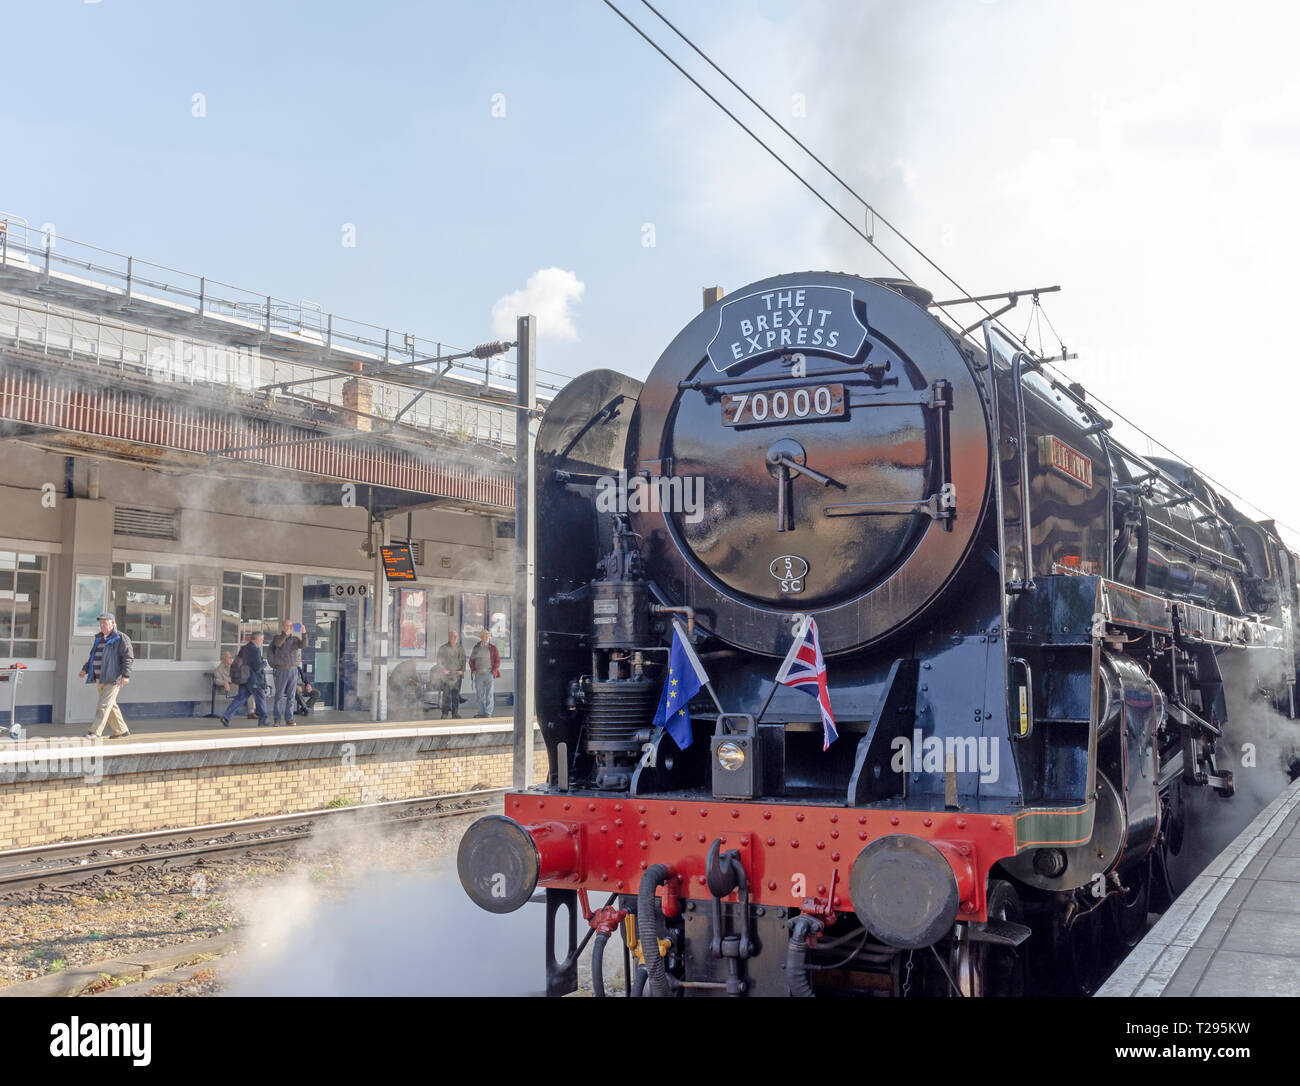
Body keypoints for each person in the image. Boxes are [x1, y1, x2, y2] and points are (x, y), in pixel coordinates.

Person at [79, 613, 133, 739]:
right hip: (100, 677)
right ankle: (122, 731)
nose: (102, 626)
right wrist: (85, 669)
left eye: (105, 623)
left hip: (113, 678)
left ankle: (95, 732)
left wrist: (126, 675)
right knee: (111, 705)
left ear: (113, 624)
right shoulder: (99, 638)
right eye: (100, 623)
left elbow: (128, 658)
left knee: (103, 706)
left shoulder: (121, 638)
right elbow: (93, 656)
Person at [220, 631, 269, 728]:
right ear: (256, 639)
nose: (262, 642)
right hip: (254, 680)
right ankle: (263, 720)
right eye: (262, 639)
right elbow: (257, 667)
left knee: (240, 698)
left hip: (243, 678)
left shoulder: (244, 648)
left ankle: (226, 717)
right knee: (261, 698)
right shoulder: (255, 650)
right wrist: (264, 663)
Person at [267, 620, 306, 727]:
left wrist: (303, 633)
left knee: (291, 696)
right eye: (287, 626)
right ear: (283, 627)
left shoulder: (295, 640)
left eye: (290, 626)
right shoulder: (277, 638)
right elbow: (278, 644)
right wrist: (285, 634)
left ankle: (289, 719)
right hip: (281, 670)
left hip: (293, 670)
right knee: (279, 696)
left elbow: (304, 645)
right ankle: (277, 719)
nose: (289, 627)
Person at [469, 627, 500, 718]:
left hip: (489, 674)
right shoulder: (476, 648)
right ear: (481, 637)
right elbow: (471, 660)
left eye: (488, 636)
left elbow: (497, 661)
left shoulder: (493, 648)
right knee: (480, 694)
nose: (486, 637)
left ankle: (488, 712)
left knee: (489, 694)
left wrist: (493, 671)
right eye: (484, 636)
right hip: (479, 674)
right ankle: (481, 712)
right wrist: (473, 670)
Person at [435, 630, 466, 719]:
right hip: (447, 674)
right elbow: (439, 661)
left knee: (456, 695)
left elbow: (464, 660)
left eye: (456, 636)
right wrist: (443, 670)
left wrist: (462, 671)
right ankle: (444, 713)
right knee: (446, 695)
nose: (455, 638)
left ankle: (455, 713)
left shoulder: (460, 648)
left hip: (457, 674)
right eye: (453, 636)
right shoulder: (443, 648)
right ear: (449, 637)